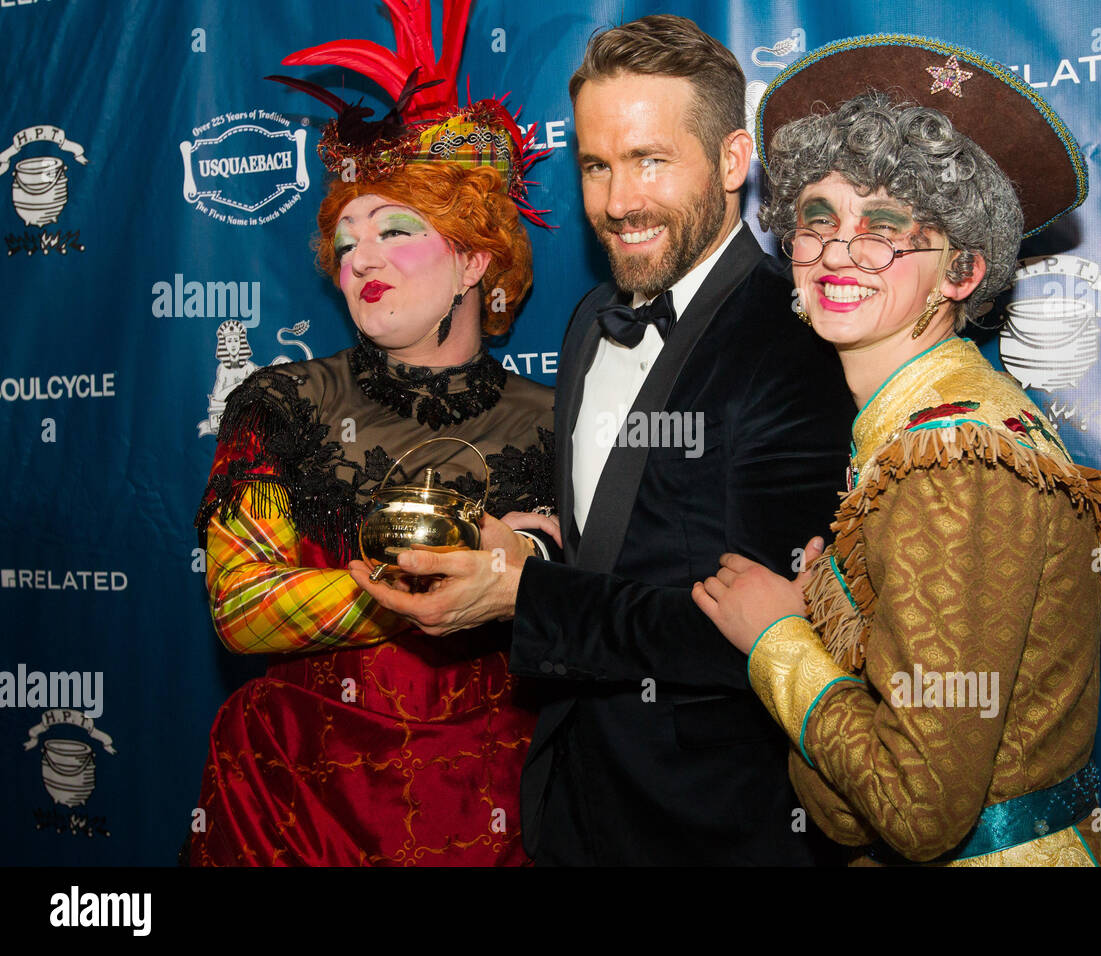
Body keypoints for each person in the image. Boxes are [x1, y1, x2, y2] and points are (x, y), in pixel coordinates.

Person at [351, 15, 854, 865]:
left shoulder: (795, 343)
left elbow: (762, 637)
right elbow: (617, 557)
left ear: (733, 162)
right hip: (575, 802)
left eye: (651, 160)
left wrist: (521, 595)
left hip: (714, 826)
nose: (619, 202)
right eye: (596, 166)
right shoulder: (591, 319)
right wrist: (530, 556)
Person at [692, 35, 1101, 866]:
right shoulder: (915, 427)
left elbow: (919, 808)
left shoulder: (953, 462)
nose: (838, 251)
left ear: (962, 271)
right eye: (817, 218)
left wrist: (776, 641)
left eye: (885, 228)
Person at [189, 2, 554, 866]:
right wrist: (471, 574)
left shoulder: (555, 420)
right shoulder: (283, 399)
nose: (362, 259)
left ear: (475, 259)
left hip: (499, 807)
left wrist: (536, 578)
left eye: (396, 230)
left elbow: (606, 609)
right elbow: (241, 608)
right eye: (346, 240)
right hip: (290, 803)